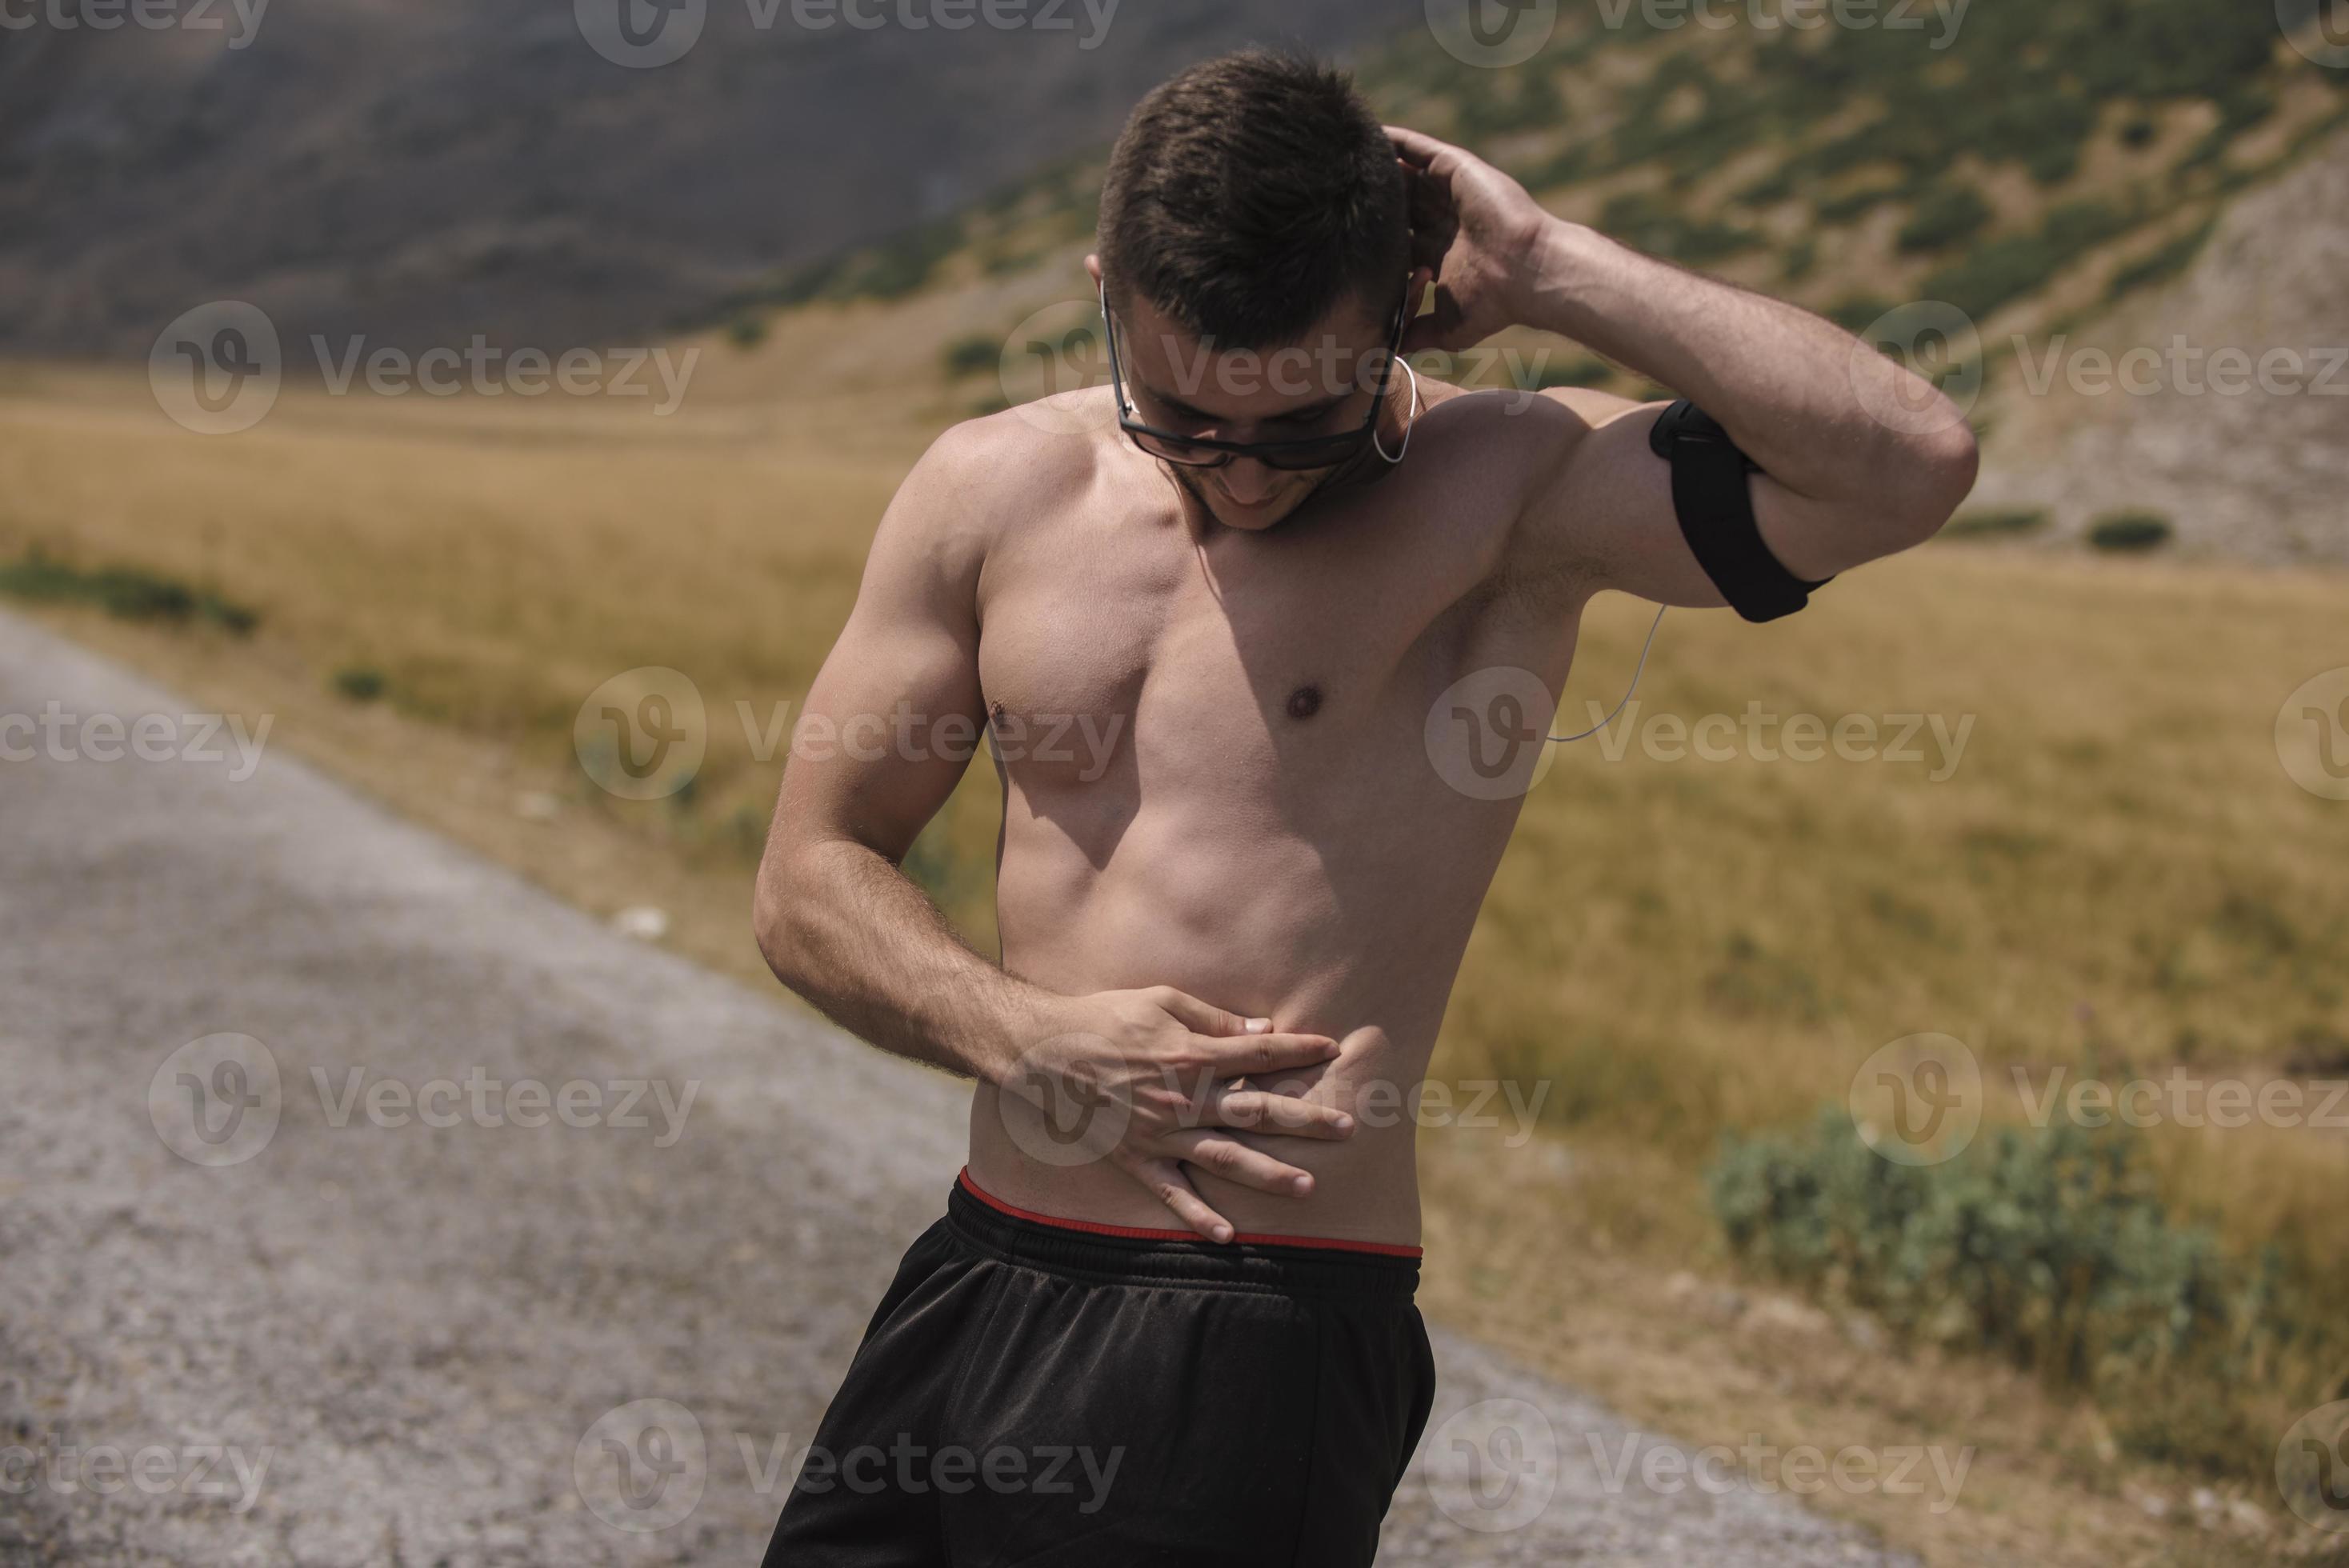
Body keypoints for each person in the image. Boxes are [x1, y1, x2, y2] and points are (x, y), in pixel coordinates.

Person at [754, 47, 1975, 1566]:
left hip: (1247, 1323)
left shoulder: (1510, 493)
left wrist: (1548, 266)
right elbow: (807, 878)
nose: (1248, 477)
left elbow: (1907, 465)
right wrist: (1022, 1034)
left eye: (1304, 424)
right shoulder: (990, 491)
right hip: (978, 1266)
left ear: (1399, 310)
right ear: (1104, 297)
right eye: (1189, 420)